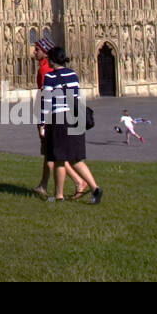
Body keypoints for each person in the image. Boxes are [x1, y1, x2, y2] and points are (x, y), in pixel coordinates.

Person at [39, 48, 102, 203]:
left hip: (59, 119)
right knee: (76, 159)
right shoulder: (73, 75)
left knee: (59, 158)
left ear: (52, 60)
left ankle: (59, 196)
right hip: (75, 118)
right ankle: (95, 189)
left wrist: (42, 123)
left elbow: (46, 101)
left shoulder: (50, 77)